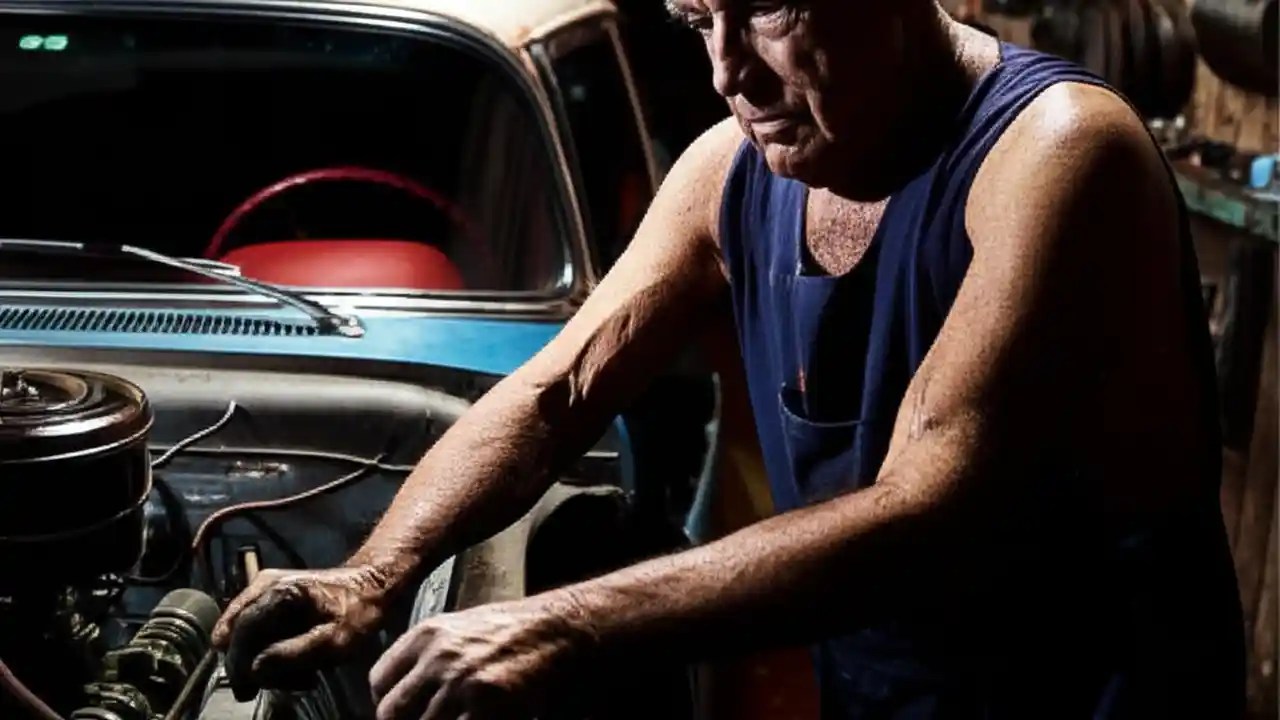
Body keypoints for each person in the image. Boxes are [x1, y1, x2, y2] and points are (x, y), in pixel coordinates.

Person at [211, 1, 1246, 717]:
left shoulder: (1056, 150)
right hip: (883, 695)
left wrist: (557, 627)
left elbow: (924, 509)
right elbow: (557, 390)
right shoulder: (732, 168)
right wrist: (374, 573)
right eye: (697, 19)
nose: (726, 73)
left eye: (769, 11)